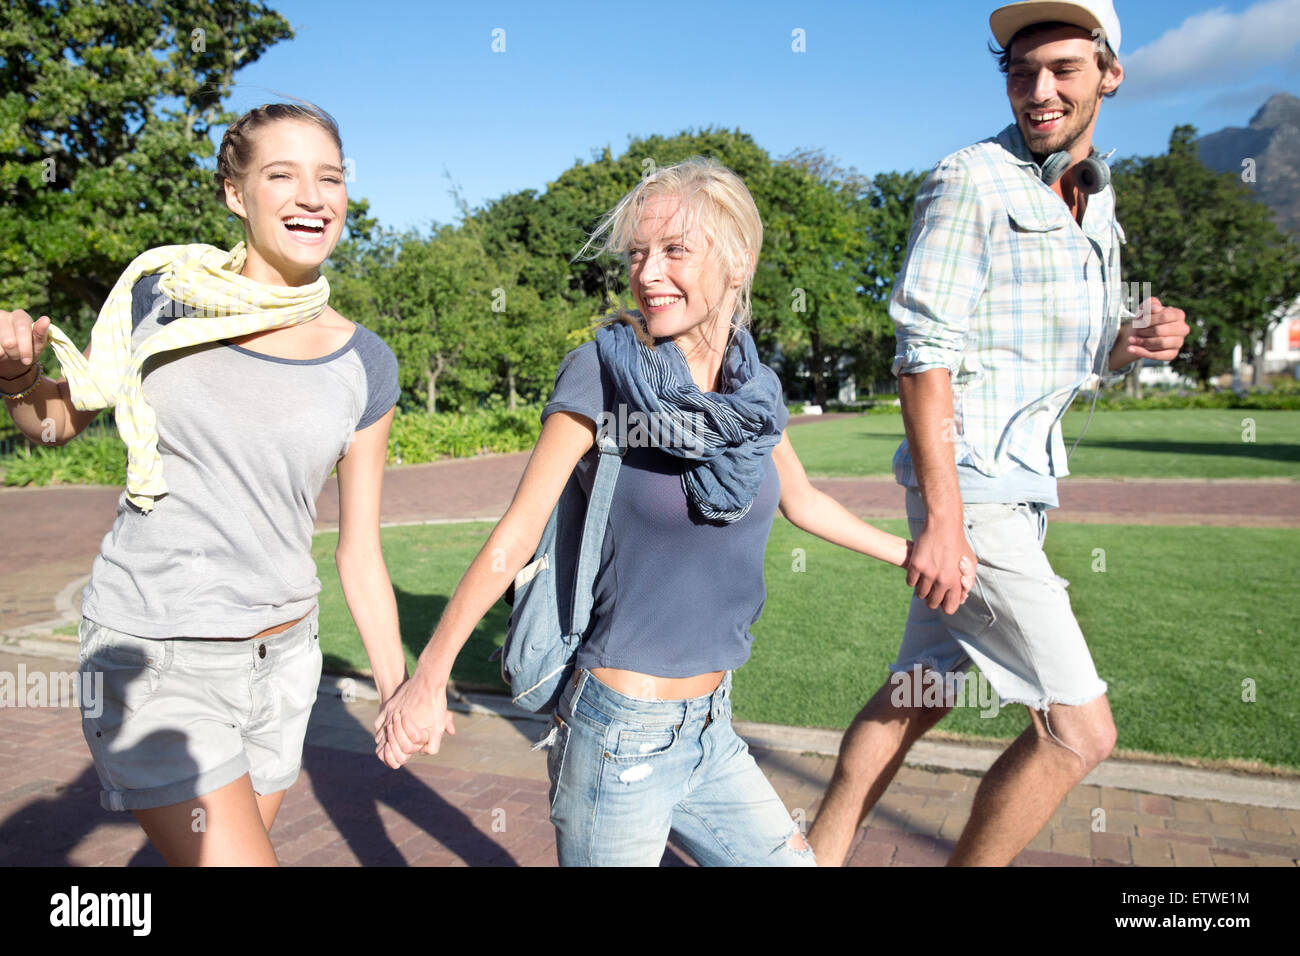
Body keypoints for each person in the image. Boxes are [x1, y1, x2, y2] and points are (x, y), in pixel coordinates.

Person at [372, 157, 972, 866]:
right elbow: (518, 530)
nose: (649, 272)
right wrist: (429, 676)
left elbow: (802, 502)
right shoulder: (602, 372)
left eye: (675, 250)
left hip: (711, 725)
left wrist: (915, 552)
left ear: (738, 259)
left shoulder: (753, 393)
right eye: (637, 254)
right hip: (617, 731)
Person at [807, 0, 1191, 867]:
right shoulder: (971, 178)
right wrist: (944, 520)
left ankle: (813, 858)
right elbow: (923, 352)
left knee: (920, 688)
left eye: (1062, 69)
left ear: (1110, 74)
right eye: (1021, 73)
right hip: (972, 487)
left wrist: (1133, 344)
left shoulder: (1096, 201)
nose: (1040, 90)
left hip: (1021, 482)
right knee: (1079, 731)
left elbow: (1075, 355)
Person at [0, 102, 408, 865]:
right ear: (235, 194)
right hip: (157, 654)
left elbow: (359, 549)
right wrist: (21, 379)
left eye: (330, 177)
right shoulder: (163, 293)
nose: (312, 196)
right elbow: (58, 423)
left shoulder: (366, 363)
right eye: (281, 175)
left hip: (284, 665)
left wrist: (396, 687)